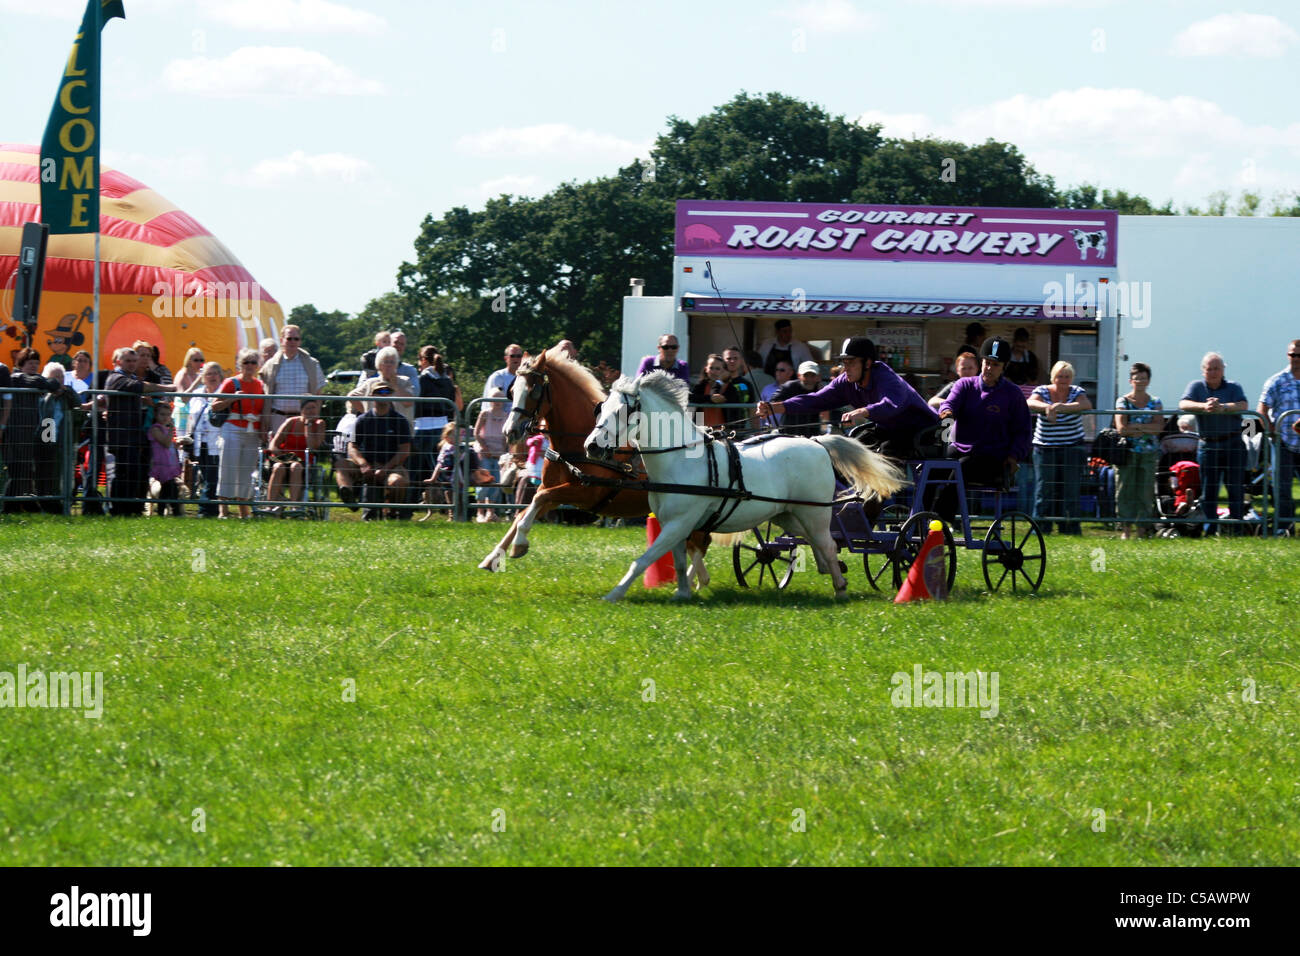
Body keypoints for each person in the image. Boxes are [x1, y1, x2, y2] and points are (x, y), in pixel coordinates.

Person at [758, 337, 937, 458]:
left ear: (867, 363)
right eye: (844, 362)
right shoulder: (845, 381)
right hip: (888, 429)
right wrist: (775, 407)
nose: (846, 368)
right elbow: (816, 399)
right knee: (846, 450)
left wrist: (861, 411)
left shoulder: (886, 377)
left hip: (921, 432)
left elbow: (891, 405)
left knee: (886, 451)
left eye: (851, 362)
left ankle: (872, 506)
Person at [935, 337, 1033, 519]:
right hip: (960, 449)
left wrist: (1014, 456)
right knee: (932, 465)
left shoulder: (1013, 394)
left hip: (994, 457)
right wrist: (947, 412)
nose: (989, 368)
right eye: (987, 362)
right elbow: (949, 403)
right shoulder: (964, 385)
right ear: (981, 362)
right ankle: (918, 517)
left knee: (961, 467)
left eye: (995, 364)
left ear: (1004, 366)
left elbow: (1023, 431)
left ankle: (939, 520)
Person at [1179, 352, 1248, 534]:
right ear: (1203, 371)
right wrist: (1205, 407)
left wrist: (1223, 407)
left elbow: (1243, 405)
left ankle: (1236, 530)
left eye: (1217, 368)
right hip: (1208, 445)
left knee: (1235, 488)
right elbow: (1183, 404)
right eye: (1210, 369)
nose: (1213, 372)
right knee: (1209, 491)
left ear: (1223, 369)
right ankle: (1210, 530)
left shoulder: (1234, 387)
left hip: (1233, 442)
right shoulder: (1195, 386)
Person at [104, 346, 174, 515]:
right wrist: (166, 388)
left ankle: (131, 509)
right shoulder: (116, 377)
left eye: (134, 361)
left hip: (132, 436)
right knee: (123, 475)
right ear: (119, 361)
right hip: (121, 436)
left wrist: (145, 402)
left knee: (133, 473)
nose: (132, 364)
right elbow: (137, 386)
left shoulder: (129, 377)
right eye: (128, 361)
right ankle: (119, 510)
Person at [1027, 361, 1093, 535]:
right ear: (1052, 377)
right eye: (1059, 376)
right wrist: (1047, 407)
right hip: (1045, 449)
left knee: (1070, 490)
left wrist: (1063, 407)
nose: (1063, 380)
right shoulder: (1042, 391)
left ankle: (1070, 528)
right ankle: (1041, 529)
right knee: (1044, 490)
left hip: (1072, 448)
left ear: (1071, 378)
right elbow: (1030, 403)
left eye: (1067, 376)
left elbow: (1086, 405)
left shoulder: (1077, 392)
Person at [212, 348, 268, 519]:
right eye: (246, 362)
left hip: (252, 431)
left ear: (258, 365)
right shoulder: (231, 382)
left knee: (247, 470)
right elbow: (215, 405)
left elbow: (263, 409)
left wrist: (263, 430)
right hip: (232, 429)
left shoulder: (260, 385)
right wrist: (232, 398)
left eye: (253, 362)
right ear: (240, 365)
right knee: (228, 468)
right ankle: (223, 510)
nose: (250, 365)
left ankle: (244, 510)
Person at [1113, 362, 1166, 539]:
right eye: (1137, 379)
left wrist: (1135, 425)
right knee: (1124, 491)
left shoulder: (1155, 402)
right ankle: (1126, 531)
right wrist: (1146, 427)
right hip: (1127, 453)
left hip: (1149, 454)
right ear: (1131, 381)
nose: (1140, 381)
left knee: (1145, 492)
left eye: (1143, 378)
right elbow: (1121, 428)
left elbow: (1159, 428)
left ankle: (1142, 531)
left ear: (1148, 380)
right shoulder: (1123, 401)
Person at [348, 384, 412, 520]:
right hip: (368, 466)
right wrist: (363, 464)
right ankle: (349, 498)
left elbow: (405, 451)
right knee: (341, 465)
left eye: (387, 391)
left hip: (393, 466)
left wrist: (386, 468)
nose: (384, 394)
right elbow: (352, 447)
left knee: (397, 482)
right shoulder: (362, 420)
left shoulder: (400, 420)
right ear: (372, 396)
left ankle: (392, 513)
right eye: (379, 391)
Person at [1257, 339, 1300, 533]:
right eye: (1292, 354)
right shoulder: (1277, 381)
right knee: (1282, 488)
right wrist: (1273, 431)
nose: (1295, 359)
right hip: (1284, 442)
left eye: (1299, 355)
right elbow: (1262, 410)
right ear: (1287, 355)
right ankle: (1284, 527)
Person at [260, 324, 325, 437]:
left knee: (301, 453)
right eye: (289, 338)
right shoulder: (270, 365)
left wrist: (314, 417)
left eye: (296, 339)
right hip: (277, 418)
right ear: (282, 340)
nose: (293, 342)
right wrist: (264, 422)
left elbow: (319, 394)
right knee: (277, 452)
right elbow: (263, 393)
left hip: (303, 419)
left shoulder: (312, 364)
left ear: (300, 341)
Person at [265, 398, 325, 510]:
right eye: (308, 408)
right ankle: (270, 506)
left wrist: (308, 426)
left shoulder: (319, 424)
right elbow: (273, 444)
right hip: (285, 457)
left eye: (314, 408)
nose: (312, 411)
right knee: (278, 467)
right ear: (301, 410)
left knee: (296, 466)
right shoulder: (291, 422)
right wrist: (280, 455)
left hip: (303, 460)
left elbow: (313, 447)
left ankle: (294, 506)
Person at [414, 346, 461, 486]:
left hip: (423, 428)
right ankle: (448, 504)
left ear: (423, 360)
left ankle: (410, 502)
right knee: (442, 468)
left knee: (416, 468)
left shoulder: (421, 379)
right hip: (443, 428)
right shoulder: (447, 380)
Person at [185, 361, 225, 517]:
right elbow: (190, 418)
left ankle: (205, 509)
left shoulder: (224, 392)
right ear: (203, 377)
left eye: (216, 372)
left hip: (217, 441)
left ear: (221, 376)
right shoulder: (198, 394)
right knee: (207, 475)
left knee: (213, 477)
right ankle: (210, 508)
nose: (213, 376)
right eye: (209, 373)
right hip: (200, 443)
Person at [473, 388, 510, 522]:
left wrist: (505, 451)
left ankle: (491, 513)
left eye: (500, 399)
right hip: (485, 454)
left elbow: (508, 436)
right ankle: (480, 512)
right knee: (483, 483)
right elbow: (476, 433)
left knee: (495, 484)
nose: (497, 402)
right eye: (494, 399)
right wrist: (485, 448)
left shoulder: (506, 415)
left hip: (499, 454)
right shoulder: (485, 414)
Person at [353, 346, 415, 424]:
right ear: (379, 364)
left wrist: (395, 385)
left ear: (396, 365)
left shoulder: (404, 381)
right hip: (376, 428)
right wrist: (366, 413)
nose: (389, 365)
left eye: (392, 362)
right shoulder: (370, 383)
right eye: (385, 362)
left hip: (400, 428)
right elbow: (352, 396)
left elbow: (409, 403)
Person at [767, 361, 828, 436]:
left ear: (818, 376)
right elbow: (772, 402)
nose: (809, 379)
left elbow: (826, 413)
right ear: (799, 375)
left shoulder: (822, 389)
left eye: (813, 375)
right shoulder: (789, 387)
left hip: (813, 434)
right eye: (806, 375)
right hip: (788, 433)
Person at [148, 400, 183, 516]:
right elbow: (166, 443)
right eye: (162, 414)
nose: (165, 417)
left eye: (168, 414)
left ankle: (161, 511)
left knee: (166, 489)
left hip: (169, 464)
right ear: (156, 415)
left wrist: (177, 443)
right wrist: (172, 430)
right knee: (171, 488)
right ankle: (175, 511)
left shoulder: (165, 429)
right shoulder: (155, 429)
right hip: (161, 464)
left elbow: (169, 445)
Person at [689, 354, 740, 428]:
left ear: (724, 371)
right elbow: (692, 397)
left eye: (717, 369)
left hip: (724, 432)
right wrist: (709, 398)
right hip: (702, 431)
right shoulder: (700, 385)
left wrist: (719, 382)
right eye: (711, 368)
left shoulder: (730, 388)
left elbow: (714, 395)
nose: (714, 371)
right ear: (706, 369)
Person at [484, 344, 524, 416]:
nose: (516, 358)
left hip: (520, 419)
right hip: (498, 419)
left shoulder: (526, 378)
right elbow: (488, 404)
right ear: (506, 358)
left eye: (519, 356)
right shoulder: (498, 377)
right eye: (512, 356)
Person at [721, 347, 758, 415]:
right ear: (723, 361)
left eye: (735, 358)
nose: (732, 361)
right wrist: (700, 424)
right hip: (712, 424)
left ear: (741, 361)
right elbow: (701, 407)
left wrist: (755, 426)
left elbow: (752, 410)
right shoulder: (715, 382)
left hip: (738, 425)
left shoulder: (747, 384)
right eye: (728, 358)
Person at [389, 331, 421, 395]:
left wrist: (395, 382)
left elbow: (415, 393)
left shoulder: (409, 370)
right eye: (396, 342)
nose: (398, 346)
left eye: (402, 344)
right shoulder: (374, 365)